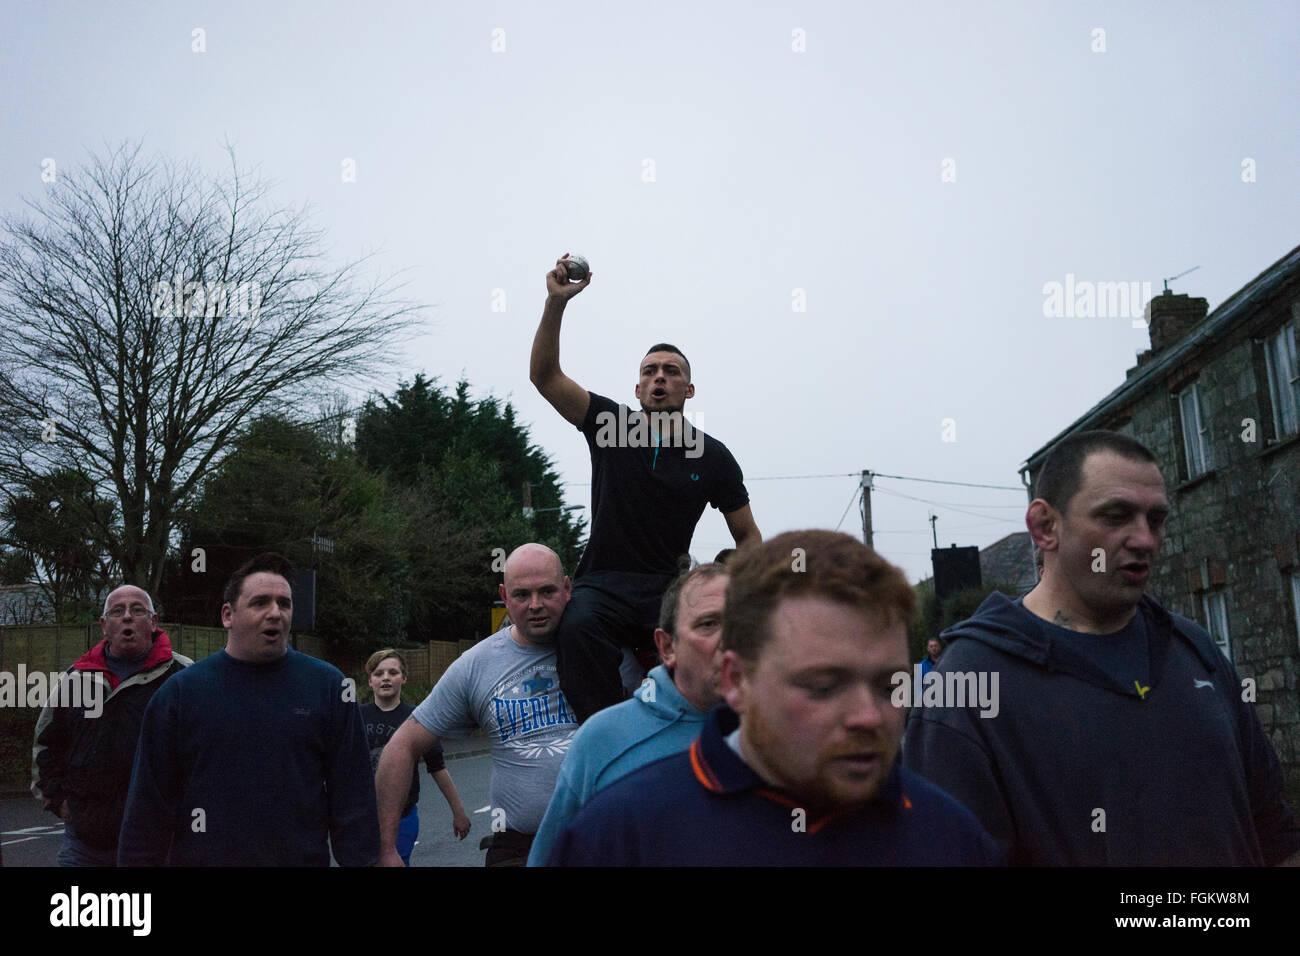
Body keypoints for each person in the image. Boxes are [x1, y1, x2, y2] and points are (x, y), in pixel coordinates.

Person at [904, 431, 1300, 865]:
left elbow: (1273, 831)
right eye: (1116, 516)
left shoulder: (1194, 650)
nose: (1145, 539)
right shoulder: (967, 690)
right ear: (1044, 527)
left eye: (1156, 520)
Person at [547, 530, 1002, 866]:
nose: (868, 717)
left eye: (890, 686)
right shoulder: (619, 838)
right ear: (737, 680)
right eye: (824, 686)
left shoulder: (954, 841)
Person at [530, 253, 761, 721]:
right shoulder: (609, 423)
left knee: (707, 643)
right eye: (650, 371)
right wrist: (556, 303)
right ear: (637, 390)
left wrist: (733, 581)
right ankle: (609, 735)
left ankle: (699, 741)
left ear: (688, 390)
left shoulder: (713, 455)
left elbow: (749, 537)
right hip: (603, 583)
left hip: (668, 588)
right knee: (576, 629)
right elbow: (545, 377)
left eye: (671, 371)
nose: (660, 377)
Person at [117, 552, 378, 866]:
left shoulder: (329, 687)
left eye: (284, 603)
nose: (275, 613)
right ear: (228, 615)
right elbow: (148, 806)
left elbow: (353, 796)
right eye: (260, 603)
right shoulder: (180, 693)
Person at [375, 543, 579, 867]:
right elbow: (402, 745)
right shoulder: (476, 665)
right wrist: (386, 849)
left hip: (601, 841)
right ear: (504, 594)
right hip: (518, 852)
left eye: (547, 591)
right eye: (522, 595)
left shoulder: (601, 646)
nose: (535, 605)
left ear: (567, 588)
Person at [528, 562, 728, 866]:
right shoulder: (601, 740)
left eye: (744, 624)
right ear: (667, 646)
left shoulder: (785, 736)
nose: (730, 641)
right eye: (709, 624)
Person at [31, 585, 191, 866]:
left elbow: (206, 751)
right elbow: (46, 744)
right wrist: (58, 800)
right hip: (85, 846)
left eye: (138, 610)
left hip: (159, 846)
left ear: (154, 623)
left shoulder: (184, 676)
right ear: (105, 626)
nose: (127, 617)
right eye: (117, 611)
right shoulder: (75, 680)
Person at [361, 649, 471, 865]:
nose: (385, 678)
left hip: (403, 816)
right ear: (370, 681)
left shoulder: (419, 718)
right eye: (378, 673)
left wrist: (458, 811)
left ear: (404, 678)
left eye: (393, 672)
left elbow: (437, 767)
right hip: (361, 816)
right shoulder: (355, 717)